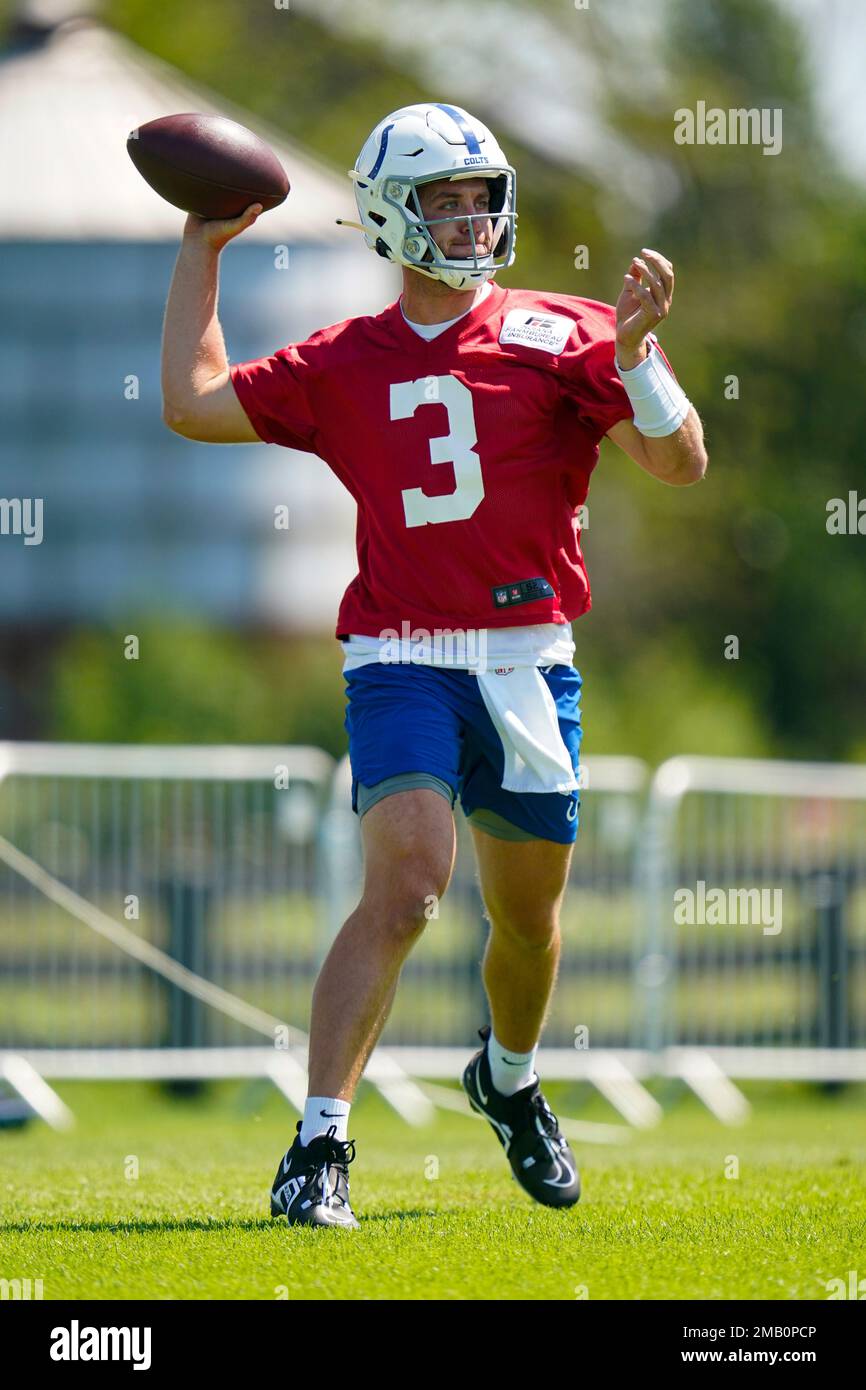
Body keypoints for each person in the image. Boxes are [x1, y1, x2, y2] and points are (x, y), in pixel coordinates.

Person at [161, 102, 707, 1229]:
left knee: (528, 924)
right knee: (407, 885)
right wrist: (198, 250)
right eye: (443, 202)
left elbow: (680, 463)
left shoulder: (566, 333)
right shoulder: (342, 360)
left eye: (480, 200)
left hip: (528, 659)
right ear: (388, 216)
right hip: (400, 653)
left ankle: (505, 1079)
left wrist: (640, 356)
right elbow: (193, 402)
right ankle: (319, 1145)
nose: (469, 221)